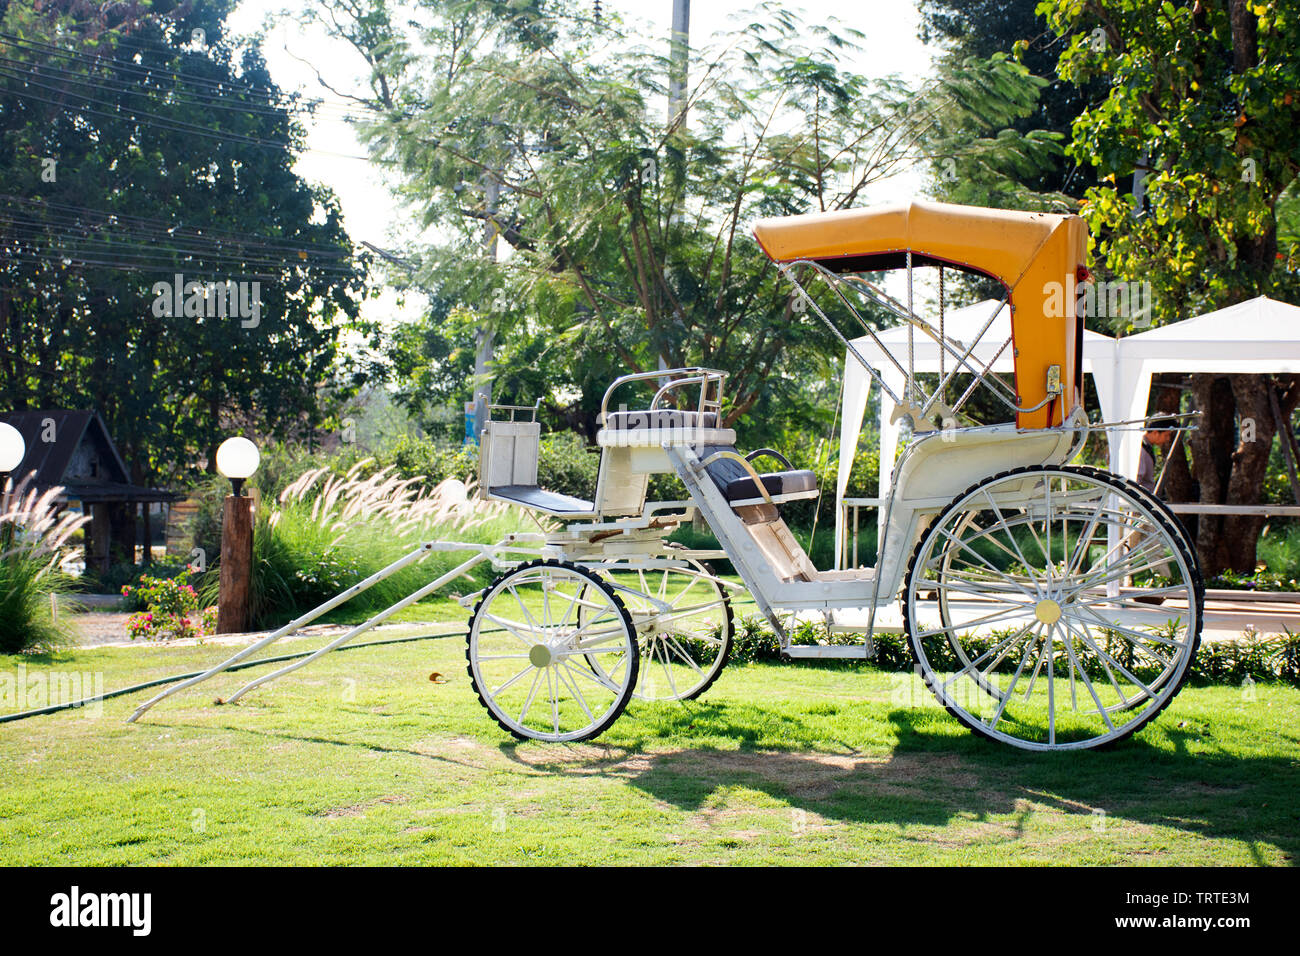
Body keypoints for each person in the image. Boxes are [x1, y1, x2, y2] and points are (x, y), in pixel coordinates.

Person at [1135, 417, 1176, 495]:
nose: (1168, 439)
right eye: (1166, 435)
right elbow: (1137, 478)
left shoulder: (1146, 447)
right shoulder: (1141, 450)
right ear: (1155, 432)